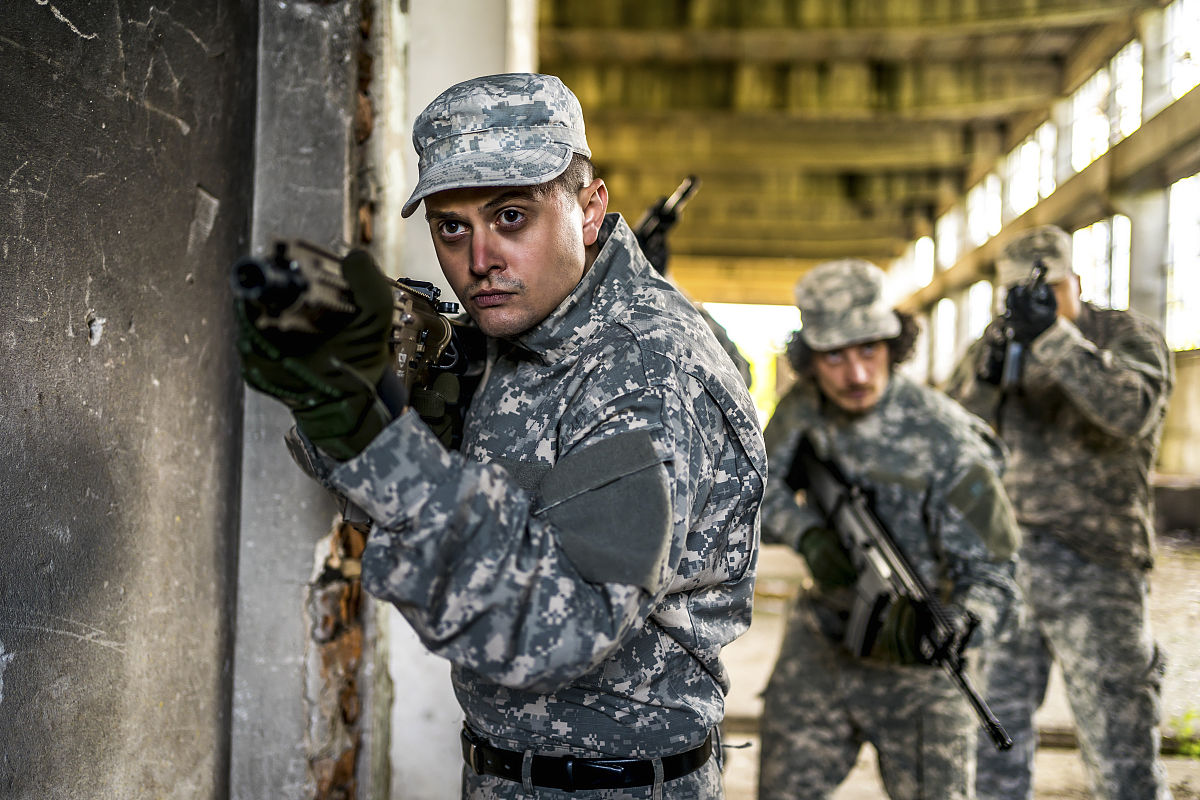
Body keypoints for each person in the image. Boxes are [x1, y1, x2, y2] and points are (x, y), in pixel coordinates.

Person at [234, 72, 767, 799]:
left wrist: (370, 437)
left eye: (511, 216)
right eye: (452, 227)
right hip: (503, 771)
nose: (479, 258)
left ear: (589, 209)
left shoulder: (644, 370)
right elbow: (427, 513)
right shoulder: (518, 335)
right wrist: (339, 402)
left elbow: (560, 629)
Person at [756, 259, 1021, 800]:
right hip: (822, 647)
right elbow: (752, 489)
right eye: (834, 356)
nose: (856, 375)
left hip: (922, 672)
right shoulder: (802, 410)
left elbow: (998, 574)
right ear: (809, 359)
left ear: (894, 344)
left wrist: (962, 625)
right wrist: (805, 533)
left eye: (869, 350)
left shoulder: (949, 440)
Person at [945, 225, 1175, 800]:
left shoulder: (1125, 336)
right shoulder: (996, 343)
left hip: (1098, 568)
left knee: (1122, 750)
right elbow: (949, 437)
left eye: (1051, 289)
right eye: (1021, 295)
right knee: (992, 748)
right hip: (1005, 565)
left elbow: (1130, 412)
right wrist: (984, 378)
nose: (1036, 304)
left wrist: (1052, 335)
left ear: (1077, 280)